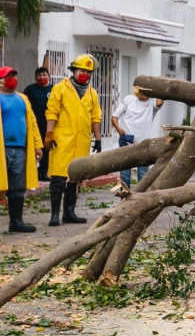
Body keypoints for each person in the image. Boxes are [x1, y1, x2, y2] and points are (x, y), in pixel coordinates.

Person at [0, 66, 43, 236]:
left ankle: (16, 222)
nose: (13, 79)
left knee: (18, 188)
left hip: (20, 149)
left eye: (14, 75)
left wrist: (37, 145)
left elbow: (32, 123)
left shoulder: (23, 99)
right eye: (9, 76)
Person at [43, 54, 103, 226]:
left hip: (81, 141)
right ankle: (55, 214)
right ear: (73, 70)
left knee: (74, 179)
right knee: (58, 179)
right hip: (61, 140)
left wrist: (98, 139)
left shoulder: (92, 94)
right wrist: (49, 134)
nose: (85, 74)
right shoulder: (60, 88)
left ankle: (69, 213)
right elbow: (52, 112)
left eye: (88, 71)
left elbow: (95, 117)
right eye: (81, 70)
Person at [111, 86, 164, 187]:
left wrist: (157, 87)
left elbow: (159, 102)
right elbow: (114, 117)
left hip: (144, 145)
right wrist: (119, 130)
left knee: (143, 175)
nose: (143, 97)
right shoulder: (128, 99)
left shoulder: (152, 102)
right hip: (127, 140)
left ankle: (141, 199)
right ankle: (125, 198)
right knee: (125, 174)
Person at [23, 67, 53, 181]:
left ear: (49, 76)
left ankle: (44, 172)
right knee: (33, 148)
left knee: (47, 149)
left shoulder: (53, 89)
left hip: (48, 125)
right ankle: (31, 172)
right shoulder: (30, 89)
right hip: (34, 125)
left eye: (44, 75)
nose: (42, 77)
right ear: (35, 77)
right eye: (39, 75)